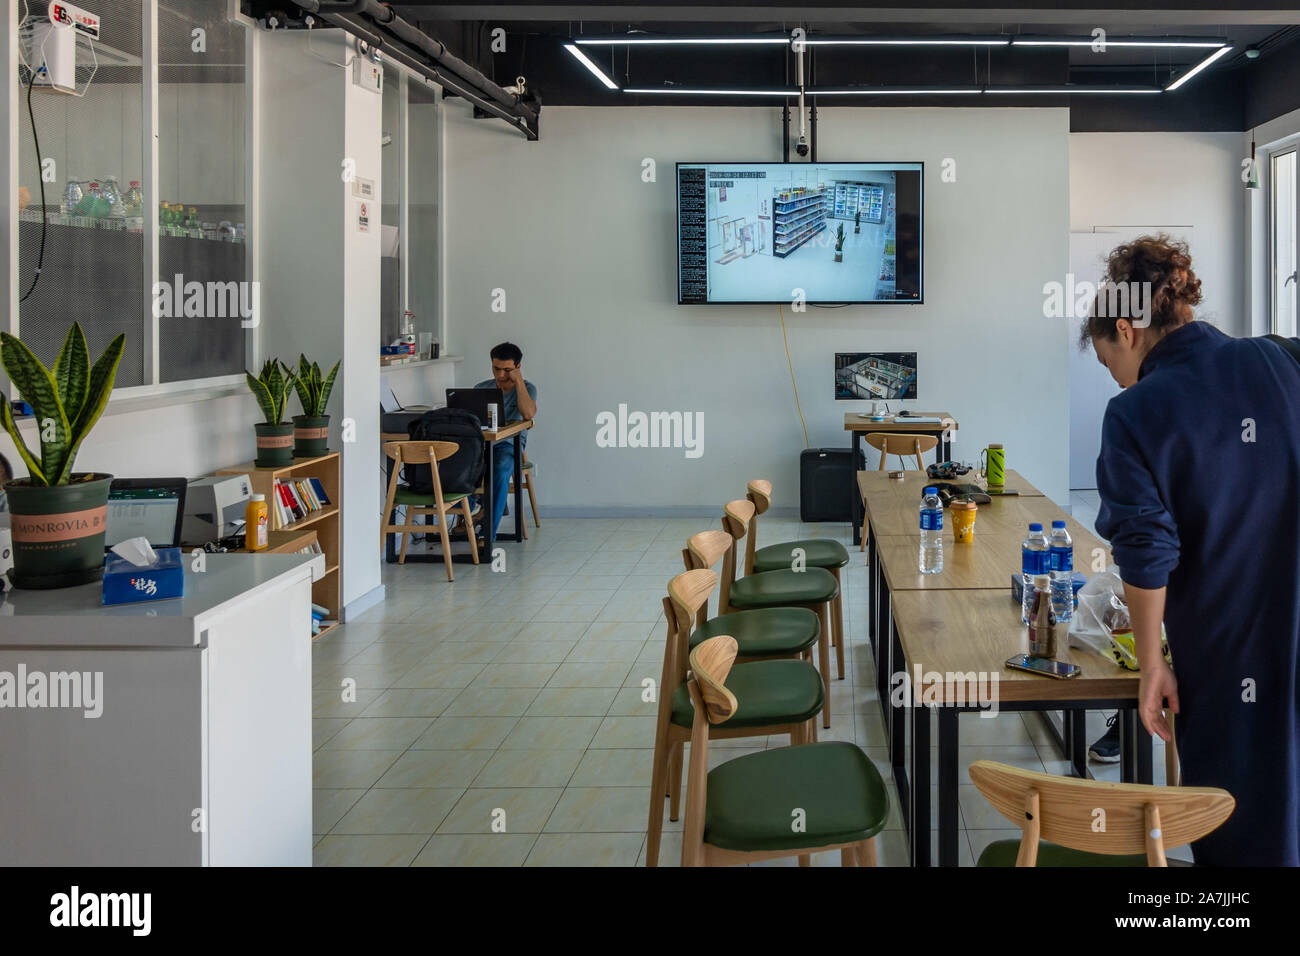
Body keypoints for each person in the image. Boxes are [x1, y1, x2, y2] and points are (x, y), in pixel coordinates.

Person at [1082, 234, 1300, 866]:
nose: (1116, 379)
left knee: (1238, 825)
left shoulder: (1133, 413)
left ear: (1126, 329)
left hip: (1229, 652)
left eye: (1107, 363)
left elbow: (1147, 552)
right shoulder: (1283, 356)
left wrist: (1152, 665)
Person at [472, 342, 537, 538]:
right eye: (496, 369)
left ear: (517, 367)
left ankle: (487, 535)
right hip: (481, 446)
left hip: (509, 446)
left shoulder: (527, 388)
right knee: (457, 464)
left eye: (507, 370)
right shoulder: (481, 388)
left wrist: (518, 382)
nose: (500, 375)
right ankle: (466, 516)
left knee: (500, 469)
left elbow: (528, 414)